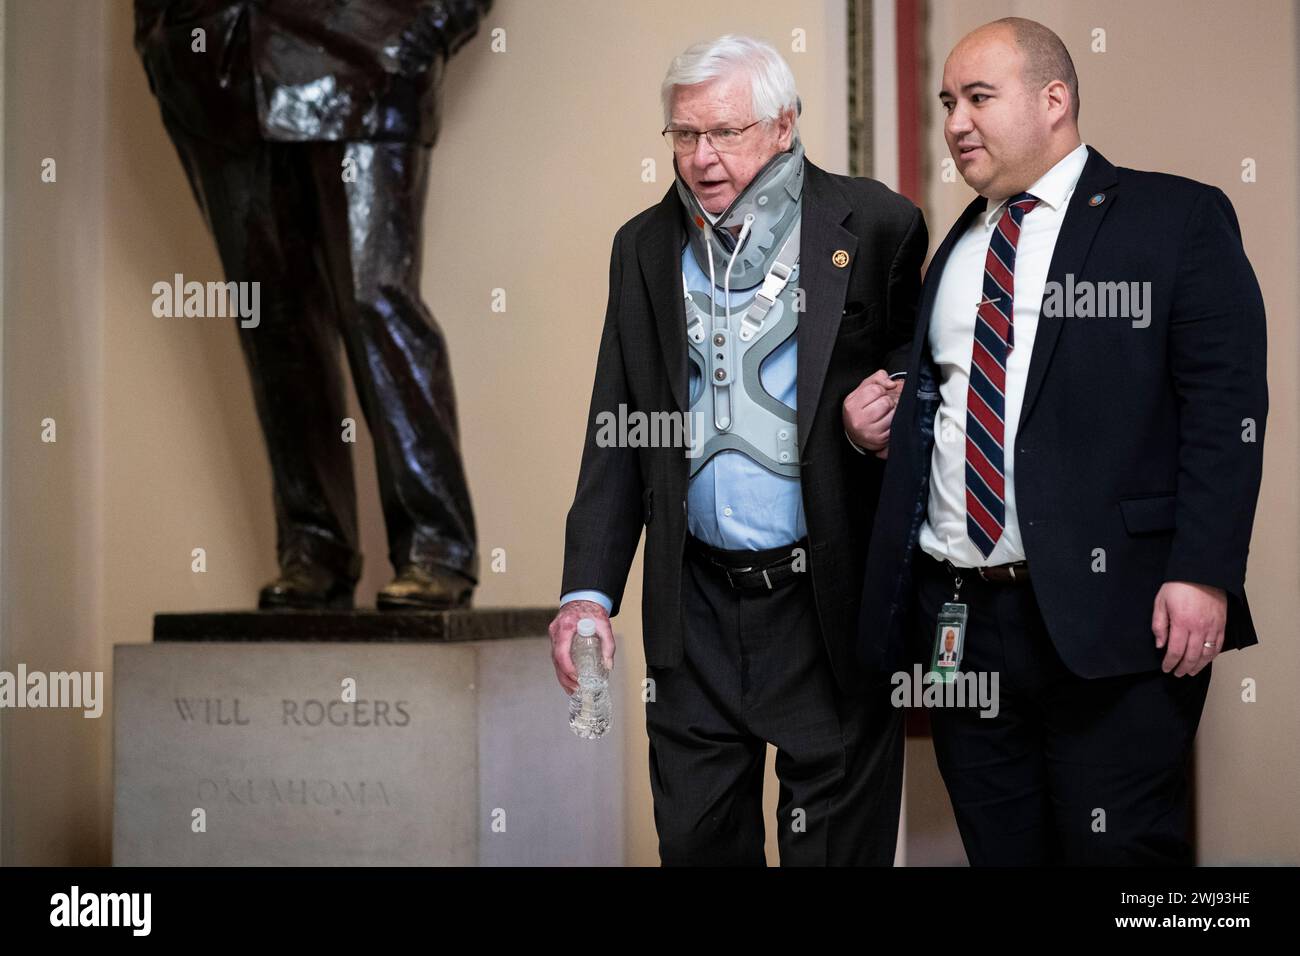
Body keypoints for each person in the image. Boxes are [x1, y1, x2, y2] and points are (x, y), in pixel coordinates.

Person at [859, 17, 1267, 865]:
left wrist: (1203, 571)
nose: (955, 122)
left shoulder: (1175, 218)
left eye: (978, 97)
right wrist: (872, 421)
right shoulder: (955, 248)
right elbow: (946, 401)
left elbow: (1226, 411)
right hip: (959, 622)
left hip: (1116, 619)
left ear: (1055, 100)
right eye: (945, 103)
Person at [552, 35, 927, 865]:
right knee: (695, 845)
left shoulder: (877, 226)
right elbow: (619, 422)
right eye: (684, 135)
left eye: (724, 133)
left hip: (827, 608)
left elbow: (928, 377)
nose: (701, 158)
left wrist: (884, 420)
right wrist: (587, 593)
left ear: (784, 125)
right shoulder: (644, 247)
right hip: (693, 615)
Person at [134, 0, 492, 609]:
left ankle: (436, 546)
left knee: (376, 300)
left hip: (365, 48)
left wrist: (424, 26)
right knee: (272, 319)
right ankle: (314, 546)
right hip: (216, 68)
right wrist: (163, 36)